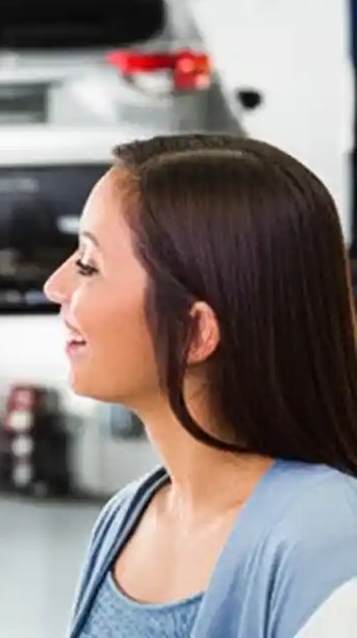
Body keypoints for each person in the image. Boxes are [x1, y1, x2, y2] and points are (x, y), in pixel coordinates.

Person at [44, 133, 357, 637]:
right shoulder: (126, 517)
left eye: (88, 264)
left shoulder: (326, 537)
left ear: (193, 333)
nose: (55, 287)